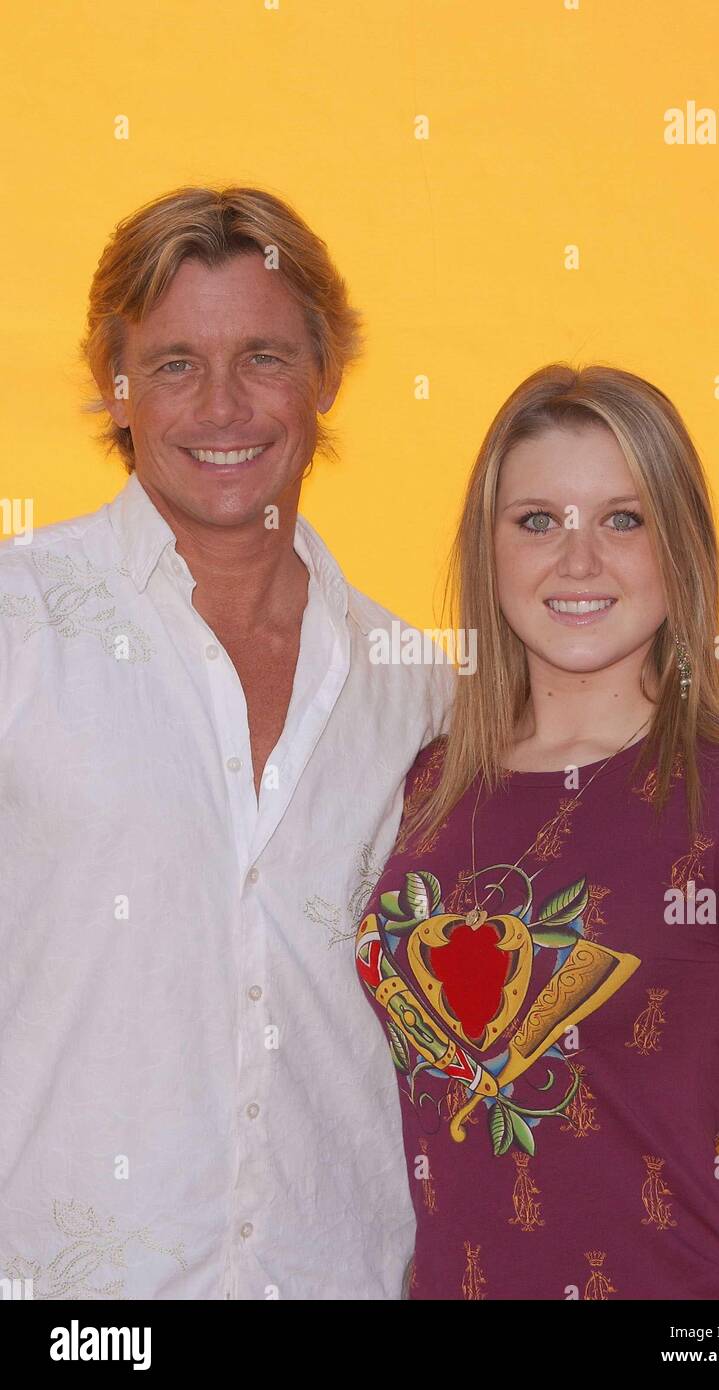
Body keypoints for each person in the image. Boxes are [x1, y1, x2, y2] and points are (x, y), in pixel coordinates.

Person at [0, 186, 454, 1300]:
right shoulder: (17, 625)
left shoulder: (423, 687)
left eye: (262, 356)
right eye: (171, 364)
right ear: (116, 387)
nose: (220, 405)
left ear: (327, 373)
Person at [354, 362, 719, 1301]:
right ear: (487, 548)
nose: (579, 561)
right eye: (538, 520)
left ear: (684, 546)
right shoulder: (420, 785)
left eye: (625, 519)